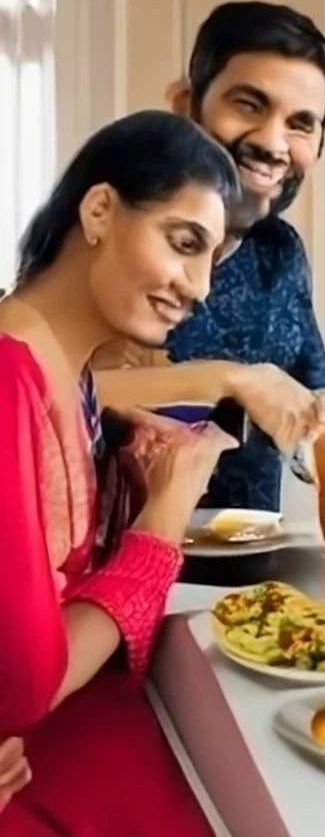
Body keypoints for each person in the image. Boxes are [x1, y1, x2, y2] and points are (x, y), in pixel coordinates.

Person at [0, 111, 241, 834]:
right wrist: (160, 525)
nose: (198, 287)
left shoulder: (66, 375)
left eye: (211, 261)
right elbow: (25, 687)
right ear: (100, 210)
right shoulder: (9, 377)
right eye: (183, 242)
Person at [95, 1, 325, 511]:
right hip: (108, 569)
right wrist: (229, 380)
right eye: (249, 104)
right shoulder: (110, 230)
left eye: (301, 124)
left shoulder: (280, 252)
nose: (274, 143)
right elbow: (35, 393)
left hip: (252, 576)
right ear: (185, 104)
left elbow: (319, 411)